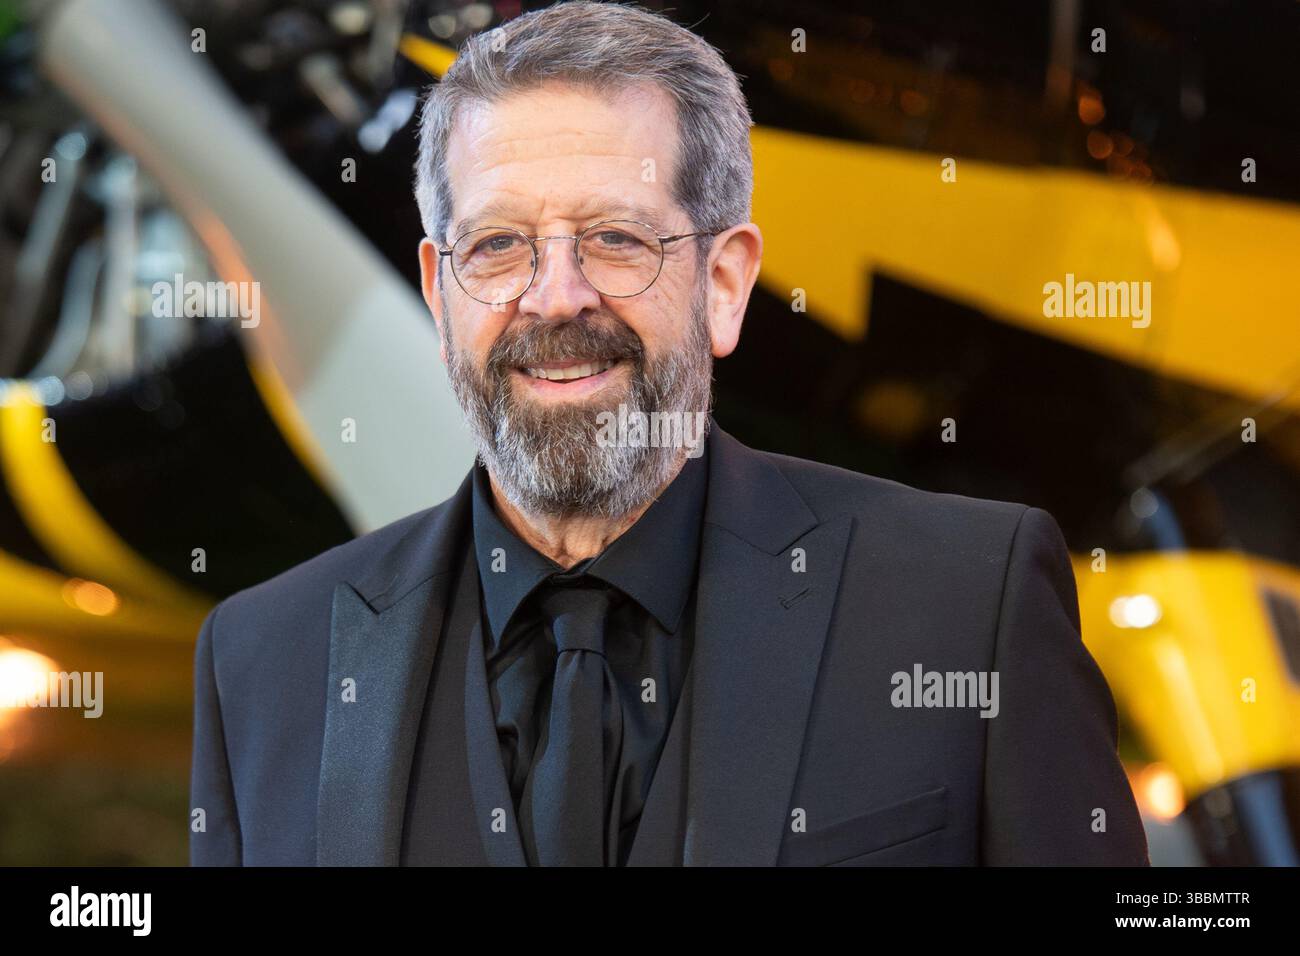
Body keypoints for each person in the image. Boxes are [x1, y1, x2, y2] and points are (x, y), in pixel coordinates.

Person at [190, 0, 1149, 866]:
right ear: (442, 293)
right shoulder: (262, 662)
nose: (556, 298)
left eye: (616, 238)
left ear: (725, 285)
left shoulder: (965, 605)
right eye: (498, 246)